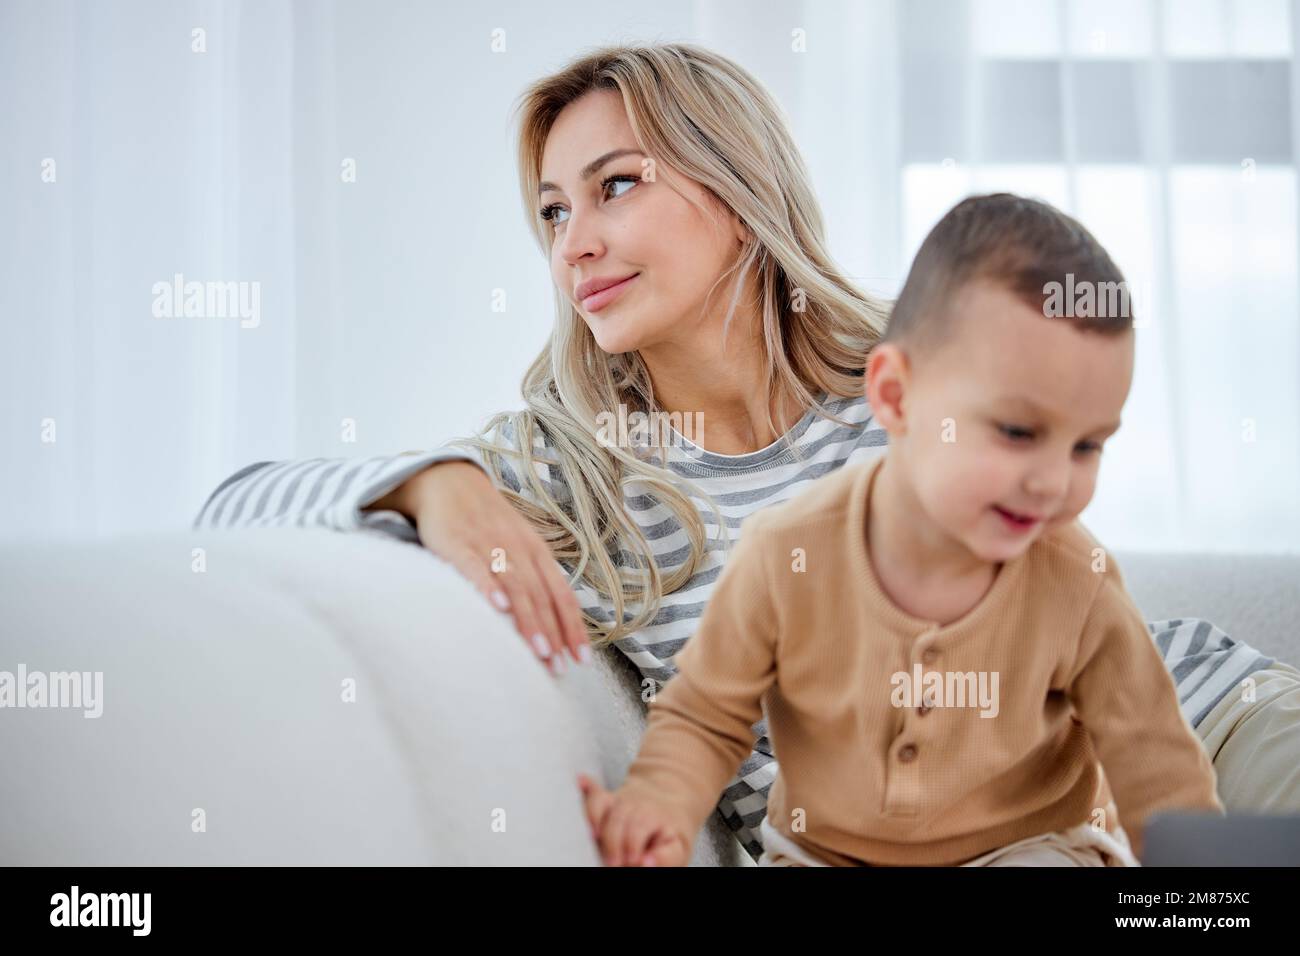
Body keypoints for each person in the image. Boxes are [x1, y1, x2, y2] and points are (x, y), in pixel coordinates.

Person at [193, 43, 1300, 863]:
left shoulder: (906, 372)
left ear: (732, 189)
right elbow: (232, 507)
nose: (573, 240)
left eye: (615, 184)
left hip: (1194, 719)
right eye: (550, 210)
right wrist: (434, 486)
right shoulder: (575, 471)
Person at [578, 193, 1222, 867]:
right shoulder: (787, 554)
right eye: (1017, 432)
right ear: (894, 396)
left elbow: (1153, 756)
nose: (1052, 482)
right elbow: (705, 717)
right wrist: (658, 811)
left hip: (1028, 849)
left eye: (1087, 446)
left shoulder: (1076, 579)